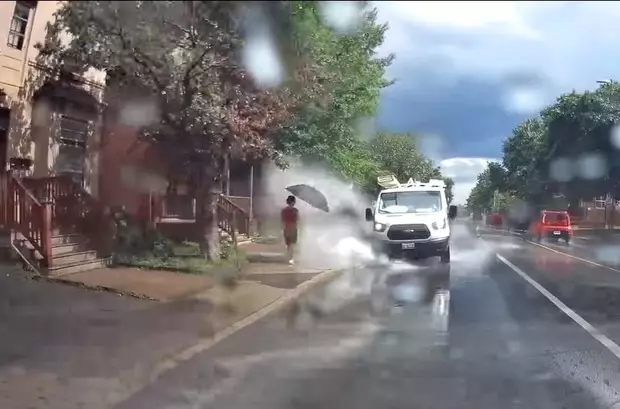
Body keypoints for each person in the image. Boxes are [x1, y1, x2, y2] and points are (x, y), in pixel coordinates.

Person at [281, 195, 299, 265]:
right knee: (292, 244)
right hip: (293, 228)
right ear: (293, 202)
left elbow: (282, 220)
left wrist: (283, 229)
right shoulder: (295, 210)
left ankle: (289, 257)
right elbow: (297, 220)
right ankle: (291, 258)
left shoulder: (283, 210)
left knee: (288, 244)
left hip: (286, 227)